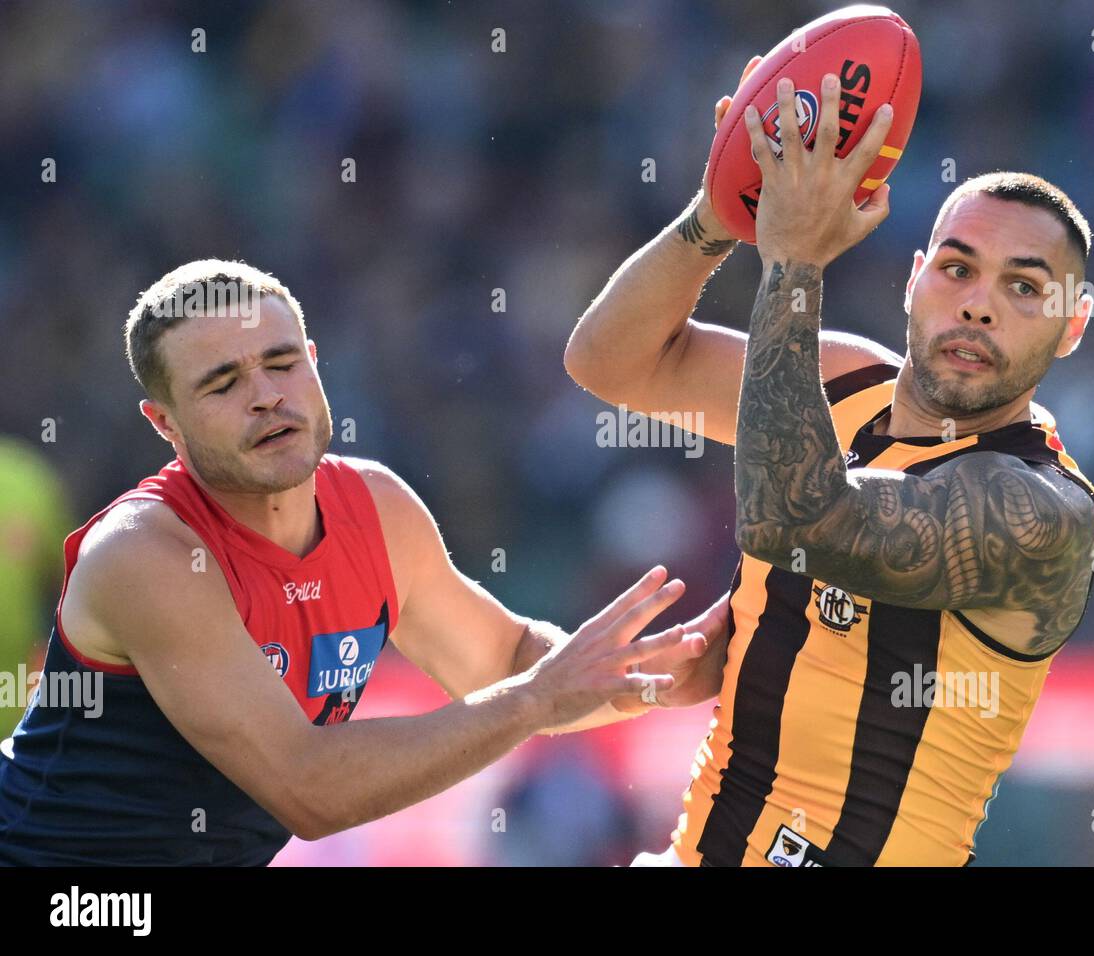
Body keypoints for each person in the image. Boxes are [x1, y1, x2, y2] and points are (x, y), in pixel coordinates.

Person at [0, 259, 730, 866]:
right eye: (222, 384)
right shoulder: (145, 555)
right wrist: (536, 697)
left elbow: (503, 657)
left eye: (281, 363)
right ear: (165, 424)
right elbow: (311, 789)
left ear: (314, 365)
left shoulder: (375, 507)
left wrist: (660, 676)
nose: (265, 397)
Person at [566, 66, 1094, 866]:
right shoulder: (843, 380)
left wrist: (792, 263)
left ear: (1071, 328)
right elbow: (607, 360)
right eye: (957, 269)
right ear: (915, 278)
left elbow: (798, 518)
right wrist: (718, 213)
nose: (979, 303)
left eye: (1024, 287)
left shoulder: (1043, 511)